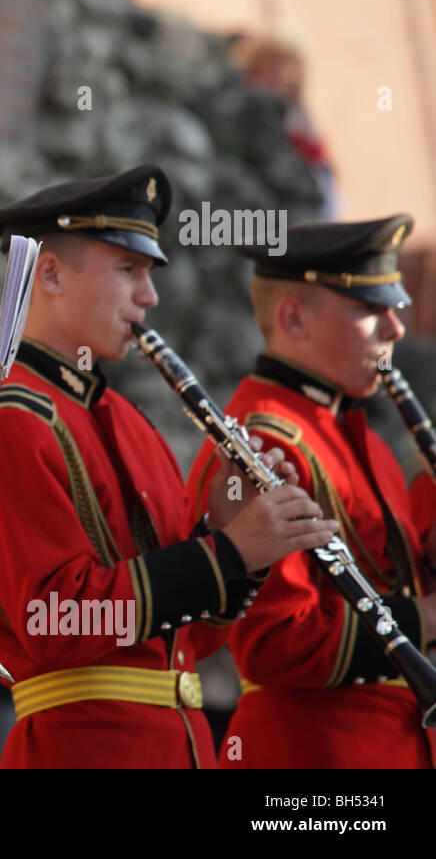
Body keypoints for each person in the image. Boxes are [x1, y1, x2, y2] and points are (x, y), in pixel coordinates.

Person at [0, 164, 338, 768]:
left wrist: (236, 542)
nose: (149, 297)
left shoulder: (131, 422)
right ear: (48, 272)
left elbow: (189, 641)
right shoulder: (7, 418)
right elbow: (54, 620)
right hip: (81, 750)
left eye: (147, 274)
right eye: (129, 271)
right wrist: (226, 554)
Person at [184, 214, 436, 768]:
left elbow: (397, 580)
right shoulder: (262, 440)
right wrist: (427, 618)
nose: (396, 328)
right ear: (294, 316)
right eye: (371, 311)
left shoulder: (352, 435)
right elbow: (273, 645)